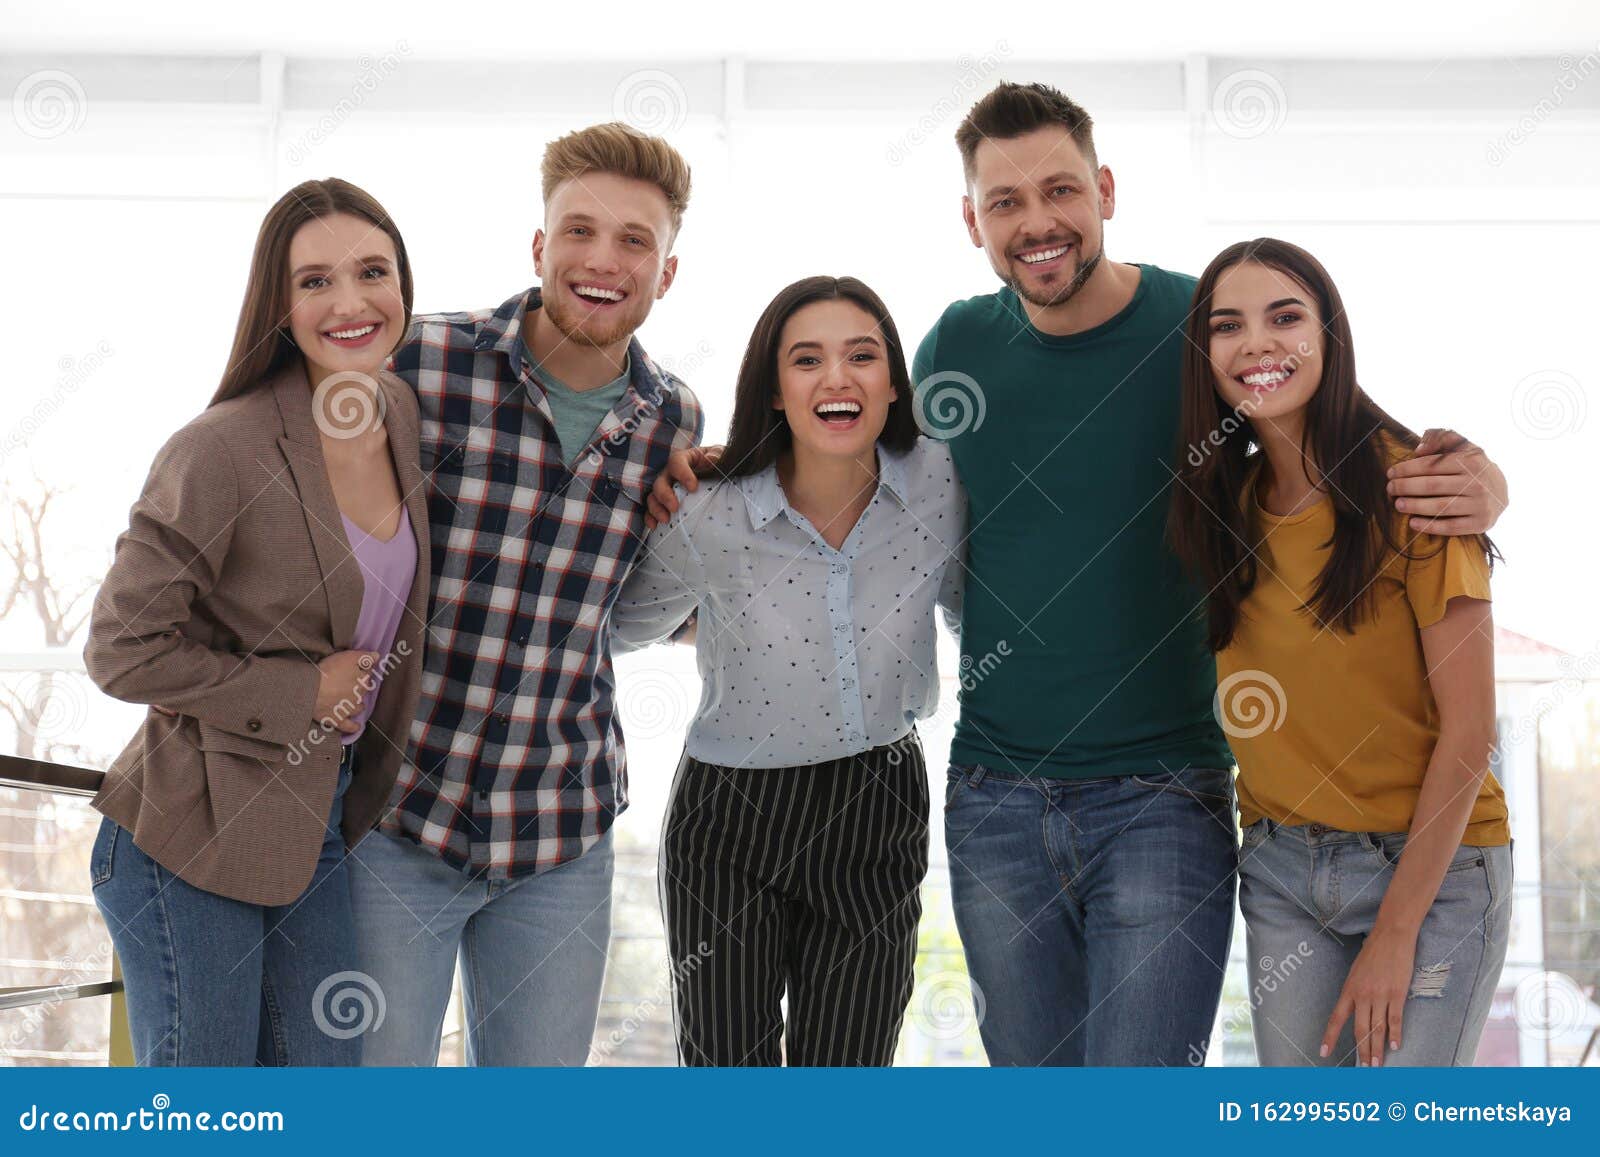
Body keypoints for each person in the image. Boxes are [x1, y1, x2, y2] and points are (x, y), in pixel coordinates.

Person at [650, 81, 1510, 1066]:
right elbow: (858, 486)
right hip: (995, 796)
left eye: (1060, 190)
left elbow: (1316, 422)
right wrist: (734, 468)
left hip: (1166, 795)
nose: (1037, 222)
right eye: (1005, 202)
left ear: (1104, 190)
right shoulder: (955, 348)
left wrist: (1482, 480)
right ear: (972, 220)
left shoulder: (1197, 323)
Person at [348, 122, 704, 1066]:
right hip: (398, 817)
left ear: (666, 272)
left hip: (560, 828)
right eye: (580, 231)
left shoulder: (673, 417)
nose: (603, 260)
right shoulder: (422, 361)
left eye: (635, 241)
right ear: (540, 246)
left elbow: (625, 613)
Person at [85, 178, 430, 1066]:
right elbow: (120, 649)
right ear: (279, 305)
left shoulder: (398, 412)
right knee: (204, 1110)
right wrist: (299, 691)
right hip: (190, 830)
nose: (350, 302)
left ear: (404, 284)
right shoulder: (222, 448)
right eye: (315, 281)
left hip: (314, 822)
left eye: (373, 272)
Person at [1169, 237, 1511, 1067]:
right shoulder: (1223, 506)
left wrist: (1397, 931)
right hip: (1285, 870)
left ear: (1330, 334)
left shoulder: (1418, 489)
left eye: (1286, 317)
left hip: (1434, 871)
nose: (1258, 343)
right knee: (1309, 1122)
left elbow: (1471, 732)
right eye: (1228, 326)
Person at [612, 276, 964, 1065]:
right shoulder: (708, 509)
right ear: (774, 390)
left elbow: (976, 608)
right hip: (729, 817)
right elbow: (624, 625)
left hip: (878, 802)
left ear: (894, 382)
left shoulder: (941, 484)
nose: (837, 377)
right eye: (807, 359)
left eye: (862, 356)